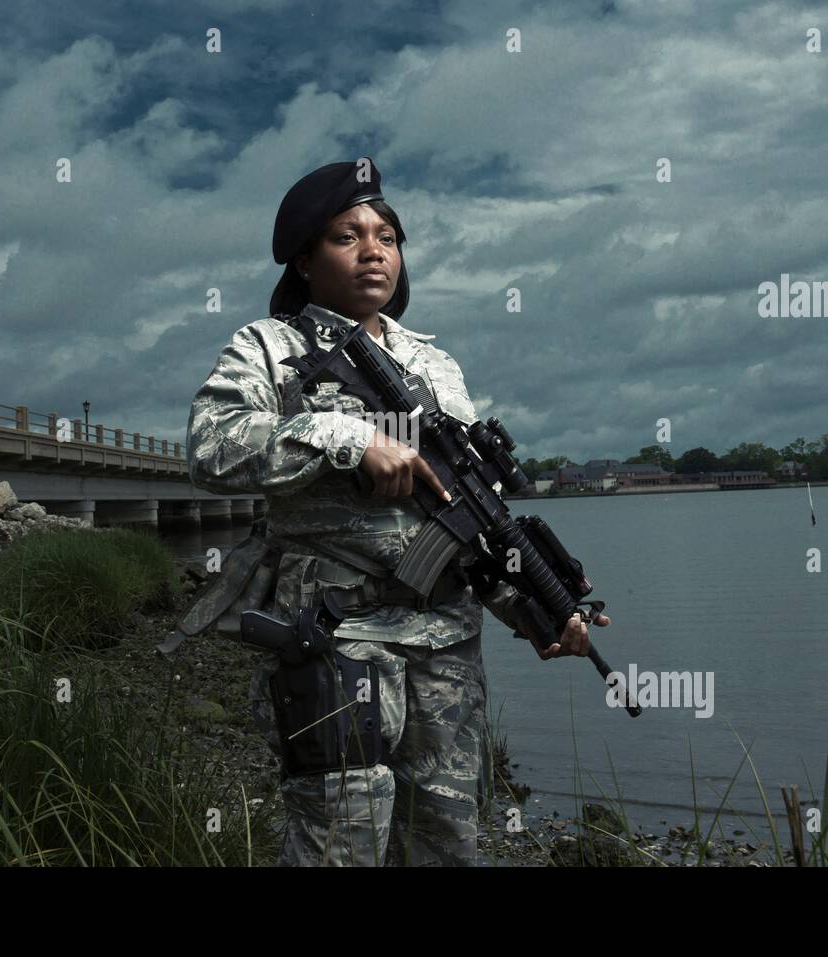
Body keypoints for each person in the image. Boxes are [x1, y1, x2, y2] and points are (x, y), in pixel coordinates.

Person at [184, 158, 609, 866]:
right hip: (337, 640)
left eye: (387, 235)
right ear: (304, 257)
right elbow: (210, 448)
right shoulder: (269, 347)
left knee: (447, 842)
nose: (374, 249)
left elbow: (469, 520)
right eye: (347, 235)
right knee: (338, 844)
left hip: (446, 649)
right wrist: (345, 439)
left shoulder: (434, 363)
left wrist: (537, 606)